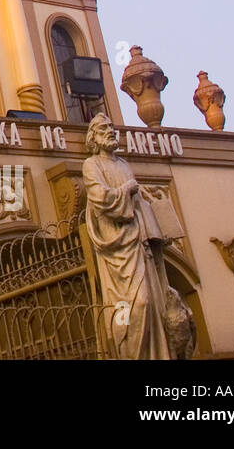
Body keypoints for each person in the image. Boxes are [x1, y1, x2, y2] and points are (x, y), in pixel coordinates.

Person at [81, 114, 171, 359]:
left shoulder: (122, 164)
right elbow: (100, 197)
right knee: (137, 305)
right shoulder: (91, 165)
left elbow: (139, 202)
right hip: (116, 246)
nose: (110, 131)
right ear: (94, 138)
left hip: (137, 241)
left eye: (111, 127)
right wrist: (126, 190)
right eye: (103, 128)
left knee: (151, 302)